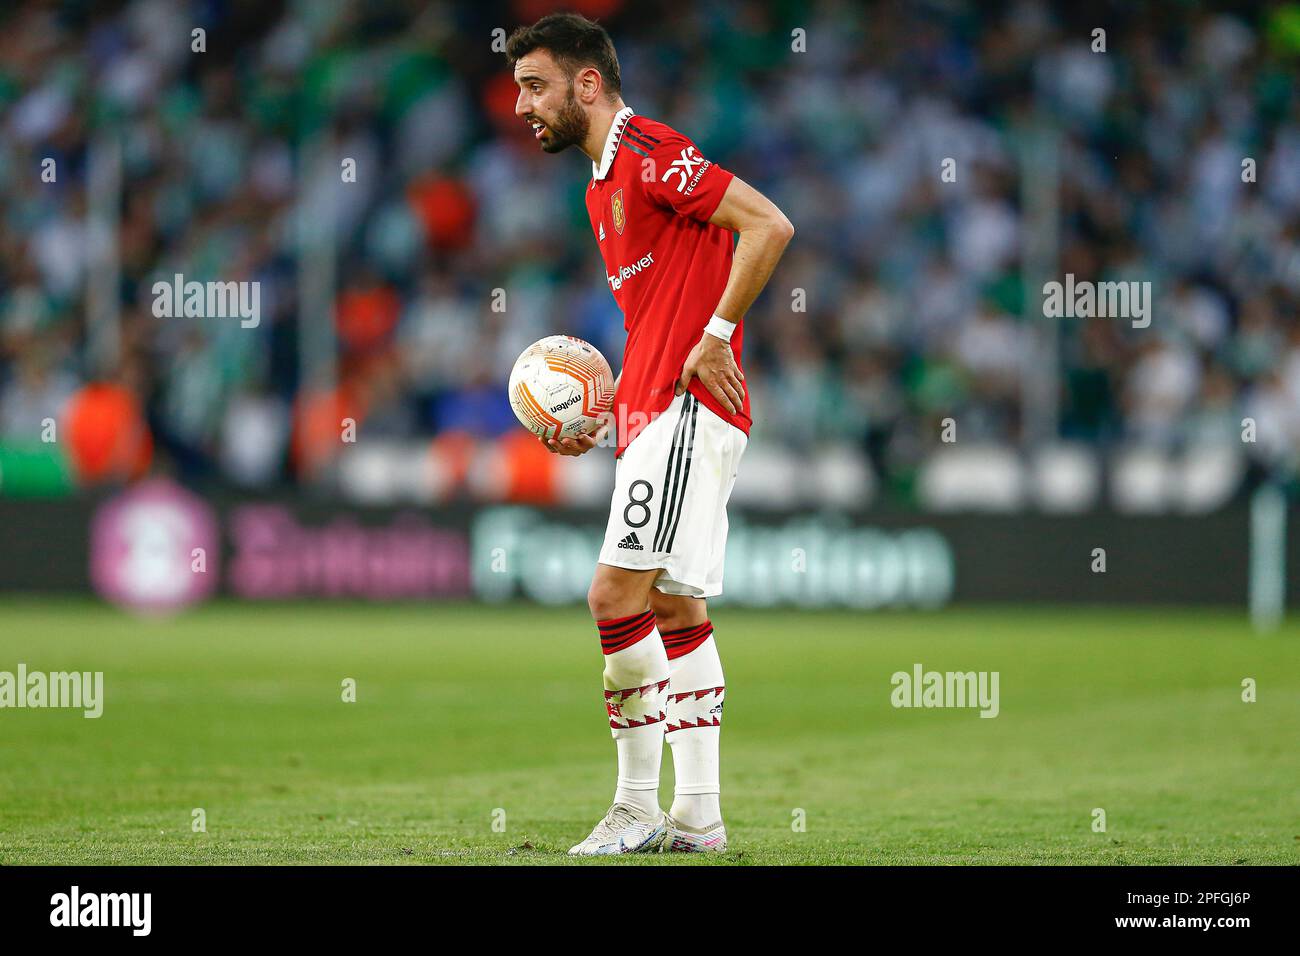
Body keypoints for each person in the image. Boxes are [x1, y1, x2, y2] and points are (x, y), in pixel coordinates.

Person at [507, 12, 794, 855]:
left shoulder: (647, 152)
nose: (522, 106)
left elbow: (769, 225)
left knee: (612, 598)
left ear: (585, 84)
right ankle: (698, 816)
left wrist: (716, 335)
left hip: (689, 410)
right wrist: (602, 425)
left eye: (534, 86)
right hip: (655, 412)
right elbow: (657, 324)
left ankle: (636, 804)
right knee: (673, 602)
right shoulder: (599, 186)